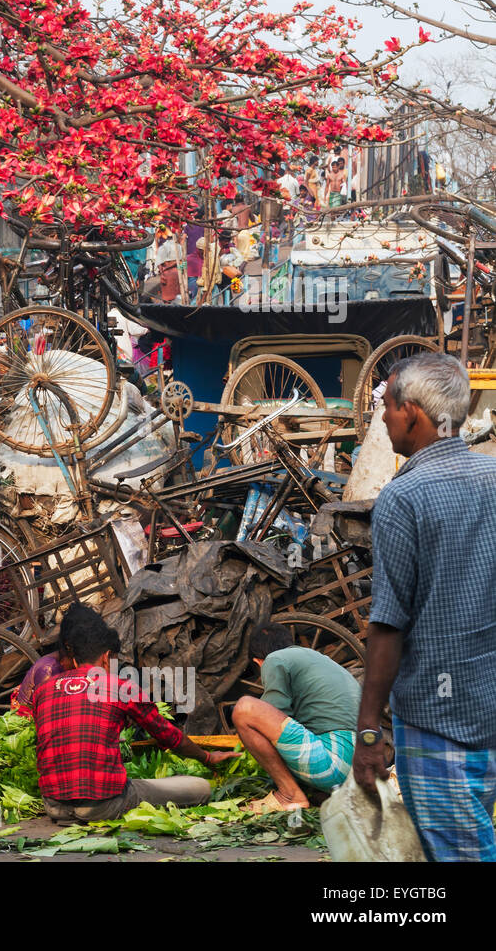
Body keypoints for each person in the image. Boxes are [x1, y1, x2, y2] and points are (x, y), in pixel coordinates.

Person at [354, 353, 496, 862]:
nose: (385, 419)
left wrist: (368, 729)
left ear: (411, 412)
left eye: (387, 408)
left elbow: (387, 627)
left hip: (438, 721)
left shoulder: (404, 497)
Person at [32, 605, 238, 824]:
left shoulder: (44, 689)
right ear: (106, 657)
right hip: (103, 805)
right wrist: (207, 757)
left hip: (53, 805)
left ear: (74, 659)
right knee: (200, 788)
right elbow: (169, 737)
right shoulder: (120, 687)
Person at [232, 622, 361, 813]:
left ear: (258, 661)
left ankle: (289, 795)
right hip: (361, 770)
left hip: (333, 766)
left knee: (245, 708)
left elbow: (271, 716)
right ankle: (313, 792)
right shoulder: (317, 658)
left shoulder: (274, 659)